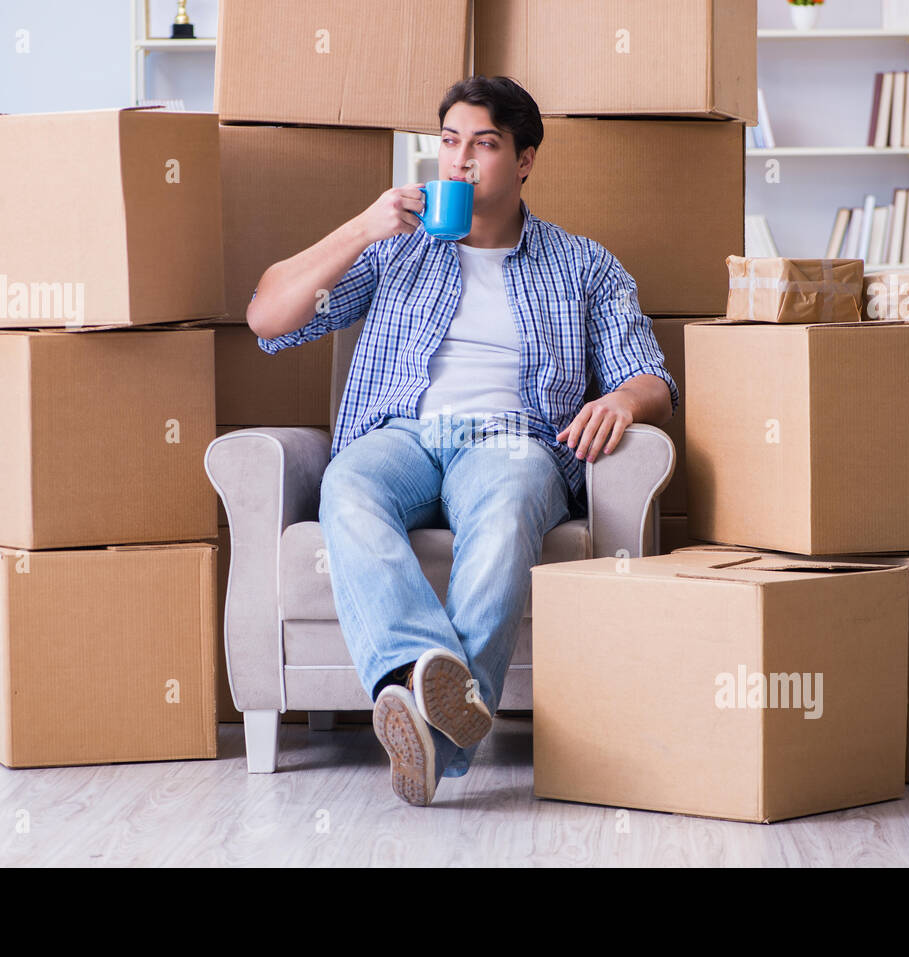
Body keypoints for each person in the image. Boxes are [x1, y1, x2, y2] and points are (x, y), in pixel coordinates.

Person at [248, 75, 679, 806]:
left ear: (524, 160)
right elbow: (269, 317)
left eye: (483, 144)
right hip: (400, 433)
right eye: (450, 143)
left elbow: (653, 378)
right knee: (346, 485)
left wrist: (619, 399)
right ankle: (423, 677)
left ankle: (427, 731)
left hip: (513, 440)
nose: (461, 161)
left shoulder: (583, 265)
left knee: (508, 505)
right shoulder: (397, 251)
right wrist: (363, 226)